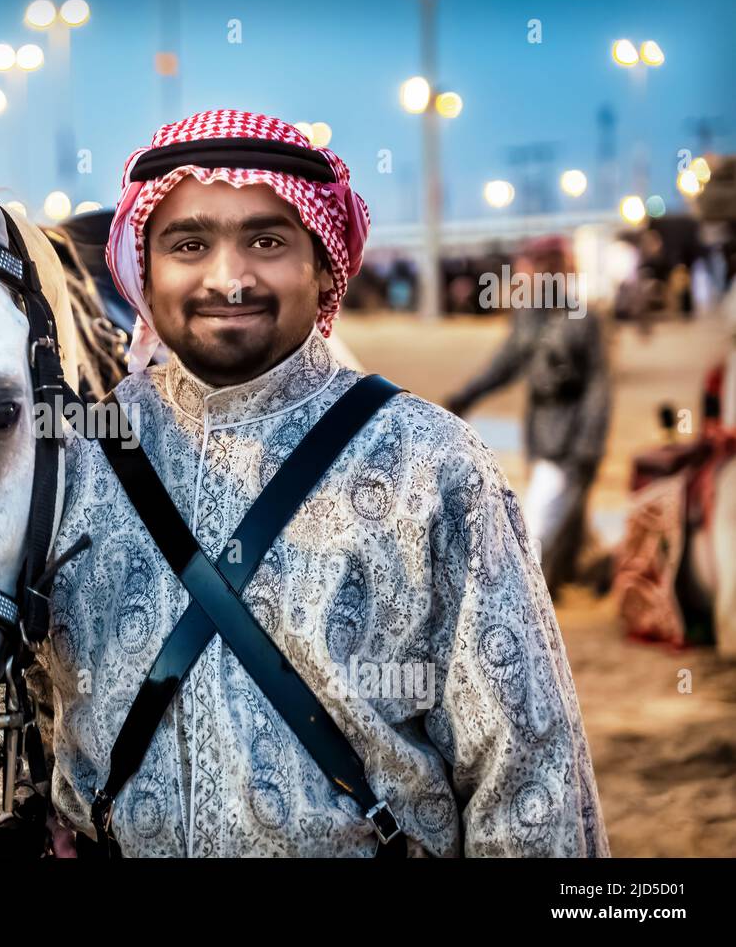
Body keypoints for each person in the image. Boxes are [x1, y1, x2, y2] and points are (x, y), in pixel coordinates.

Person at [34, 110, 609, 857]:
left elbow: (532, 782)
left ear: (327, 264)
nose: (228, 278)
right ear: (143, 267)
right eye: (188, 244)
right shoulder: (78, 456)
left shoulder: (430, 464)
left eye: (267, 241)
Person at [446, 236, 612, 599]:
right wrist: (465, 397)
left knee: (541, 517)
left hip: (571, 433)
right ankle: (573, 574)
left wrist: (589, 442)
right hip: (540, 427)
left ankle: (528, 590)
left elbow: (599, 385)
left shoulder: (585, 319)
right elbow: (502, 366)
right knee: (564, 513)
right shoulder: (528, 318)